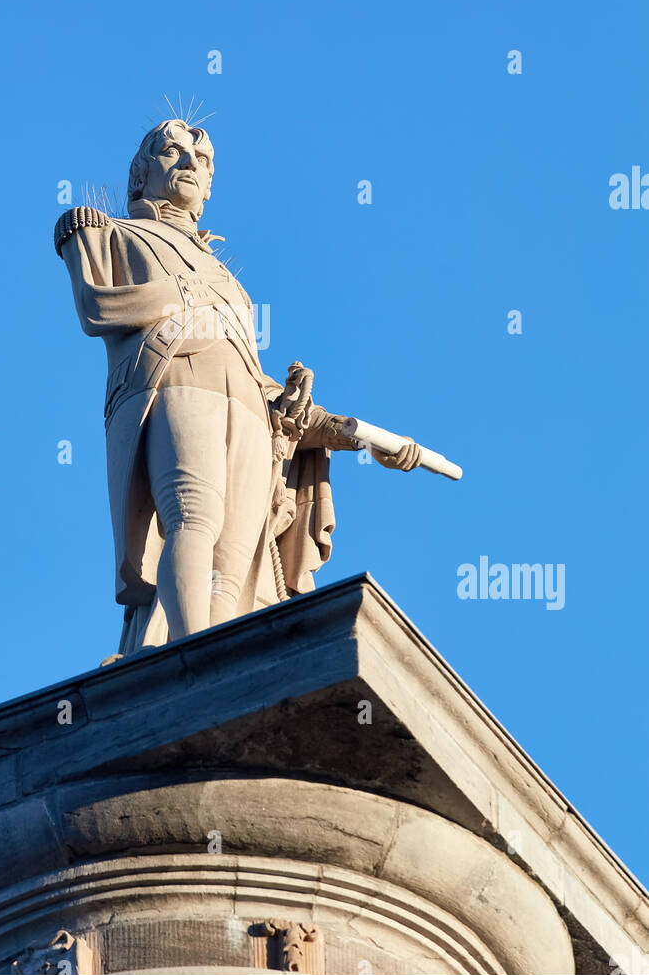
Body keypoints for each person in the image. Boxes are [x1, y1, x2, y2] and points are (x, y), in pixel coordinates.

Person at [55, 118, 420, 654]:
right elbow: (97, 308)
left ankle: (222, 666)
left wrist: (351, 434)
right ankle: (186, 655)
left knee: (236, 551)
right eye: (173, 153)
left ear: (208, 187)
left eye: (201, 161)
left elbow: (258, 378)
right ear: (140, 177)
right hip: (174, 382)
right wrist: (190, 291)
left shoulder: (234, 287)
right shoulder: (110, 233)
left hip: (247, 408)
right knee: (193, 512)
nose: (188, 164)